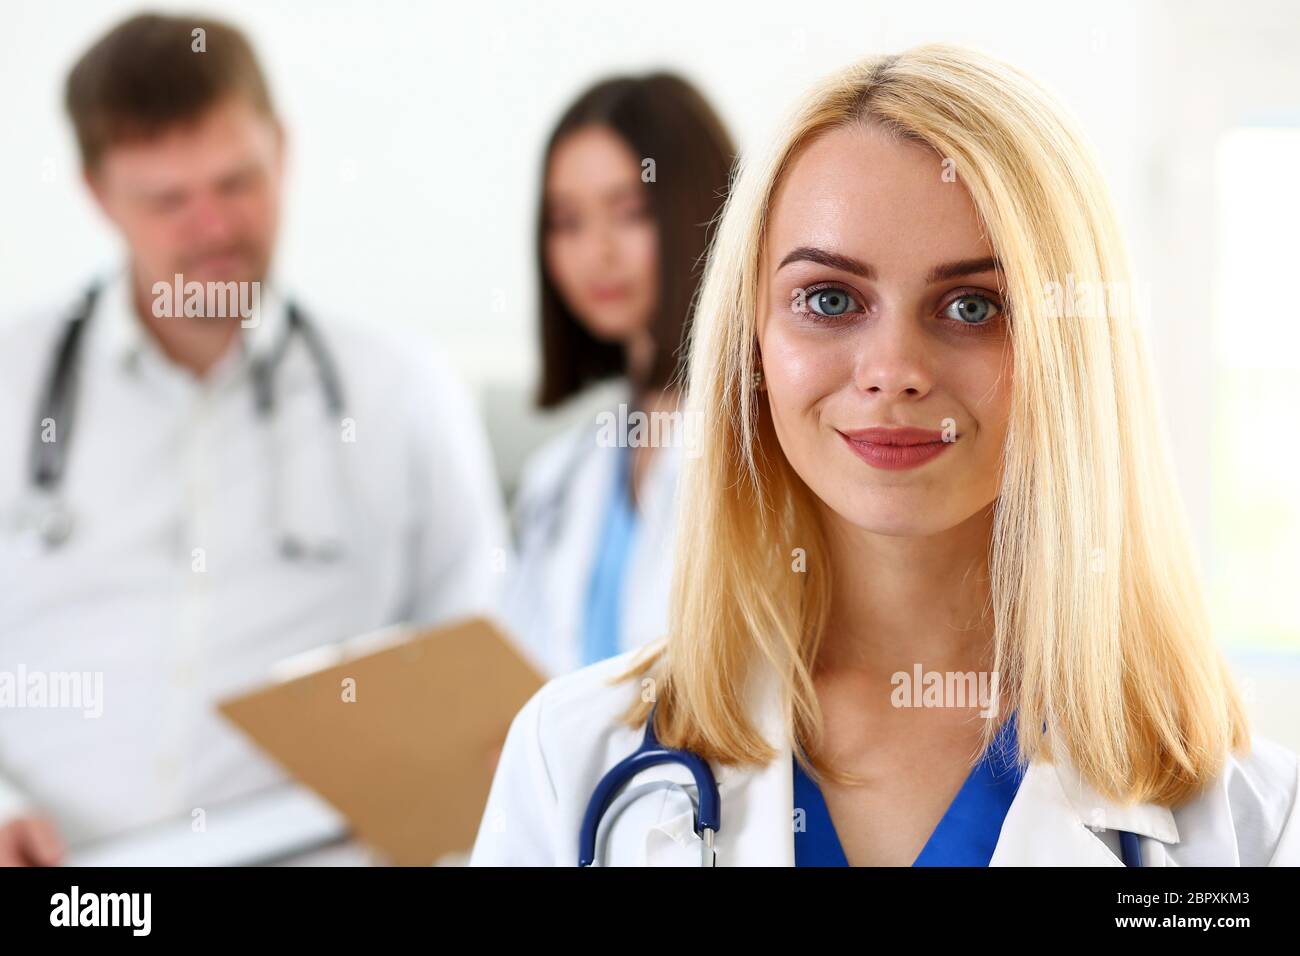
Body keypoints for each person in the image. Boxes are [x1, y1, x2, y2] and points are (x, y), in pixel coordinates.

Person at [470, 43, 1300, 866]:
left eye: (973, 306)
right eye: (829, 299)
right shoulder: (570, 760)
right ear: (751, 342)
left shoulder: (1251, 824)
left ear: (1072, 352)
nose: (893, 373)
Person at [0, 13, 508, 866]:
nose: (213, 229)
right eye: (168, 200)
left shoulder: (400, 393)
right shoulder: (12, 381)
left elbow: (486, 660)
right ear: (96, 193)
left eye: (237, 182)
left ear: (283, 150)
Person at [501, 74, 734, 676]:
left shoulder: (758, 444)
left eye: (628, 213)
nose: (596, 252)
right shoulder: (562, 474)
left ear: (697, 211)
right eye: (568, 222)